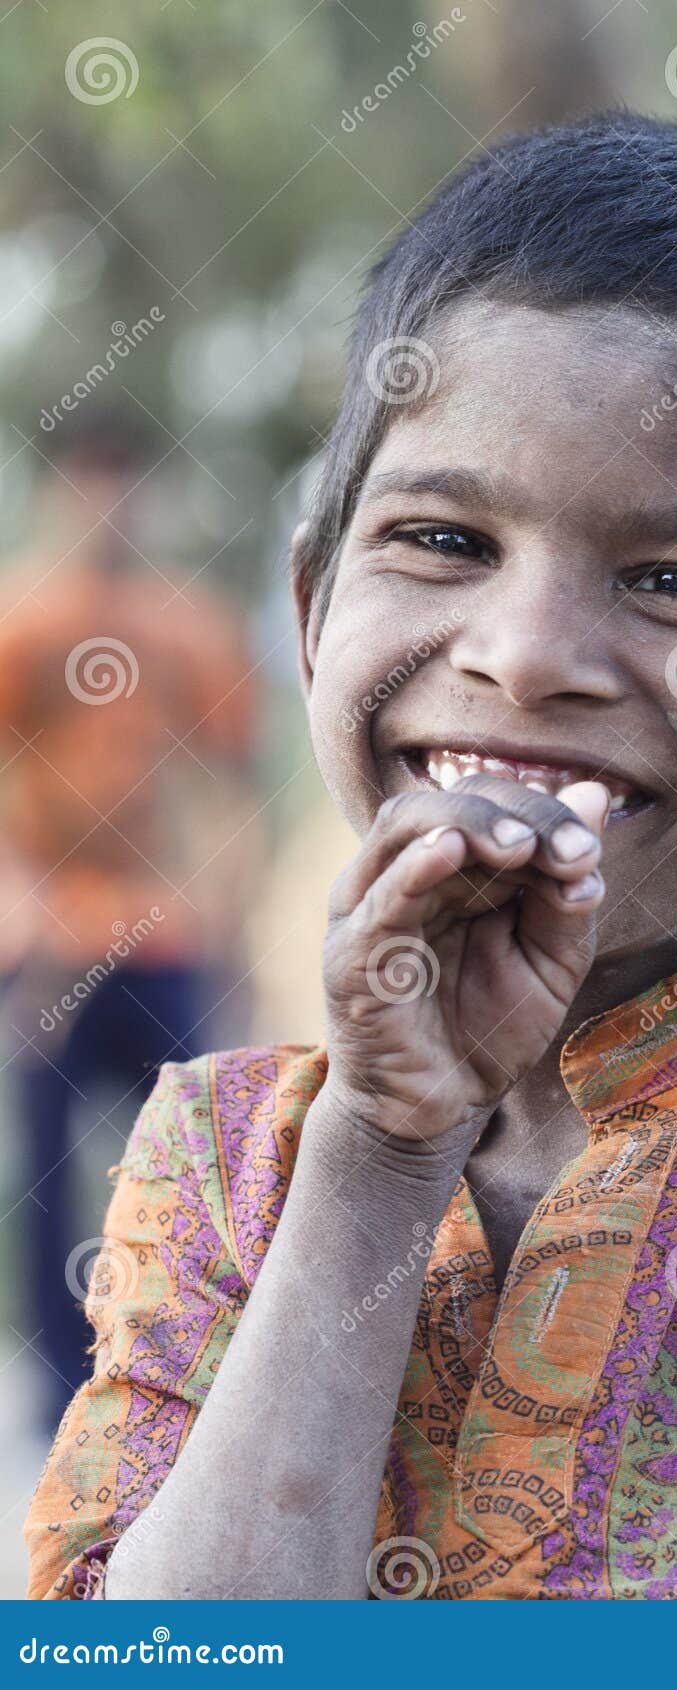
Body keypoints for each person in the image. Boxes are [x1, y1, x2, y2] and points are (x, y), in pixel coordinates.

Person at [25, 115, 677, 1601]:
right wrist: (379, 1153)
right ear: (313, 611)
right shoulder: (220, 1160)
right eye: (443, 542)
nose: (524, 658)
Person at [0, 419, 257, 1435]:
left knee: (191, 1161)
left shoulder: (190, 626)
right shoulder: (23, 618)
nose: (110, 505)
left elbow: (230, 791)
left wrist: (232, 934)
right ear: (64, 491)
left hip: (165, 940)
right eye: (91, 482)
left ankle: (179, 1376)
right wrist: (21, 908)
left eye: (128, 482)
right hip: (48, 943)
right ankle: (57, 1393)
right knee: (51, 1173)